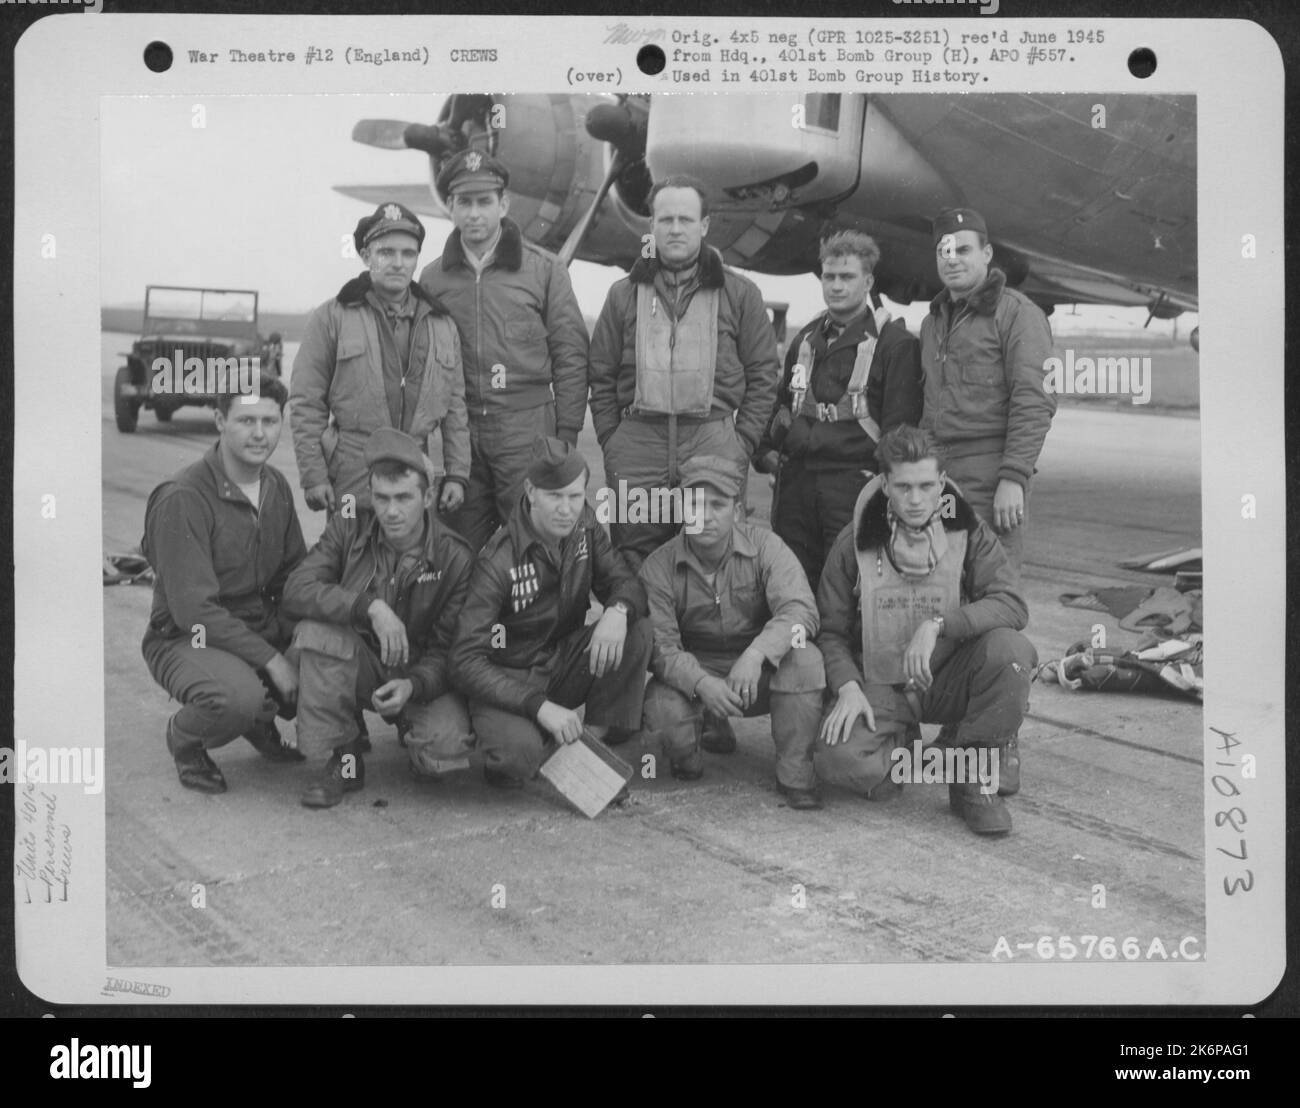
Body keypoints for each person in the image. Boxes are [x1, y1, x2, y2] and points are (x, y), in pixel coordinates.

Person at [815, 425, 1036, 834]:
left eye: (925, 486)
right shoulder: (853, 544)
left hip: (947, 676)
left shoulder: (969, 533)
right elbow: (829, 631)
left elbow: (1012, 604)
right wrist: (846, 686)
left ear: (941, 484)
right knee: (840, 762)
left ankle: (968, 771)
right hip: (882, 683)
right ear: (884, 483)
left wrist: (938, 625)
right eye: (902, 487)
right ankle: (910, 744)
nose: (915, 500)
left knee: (1012, 654)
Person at [588, 174, 780, 568]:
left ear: (705, 226)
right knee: (634, 563)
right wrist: (614, 440)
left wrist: (740, 444)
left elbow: (764, 375)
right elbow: (601, 375)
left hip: (713, 444)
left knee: (714, 563)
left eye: (686, 220)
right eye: (666, 219)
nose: (675, 229)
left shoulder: (741, 294)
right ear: (652, 225)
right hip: (638, 448)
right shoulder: (622, 295)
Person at [282, 429, 477, 808]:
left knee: (444, 756)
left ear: (428, 497)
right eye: (382, 498)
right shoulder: (349, 526)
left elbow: (450, 648)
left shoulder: (456, 558)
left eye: (404, 498)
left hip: (420, 673)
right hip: (361, 662)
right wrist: (368, 607)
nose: (391, 511)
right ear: (370, 495)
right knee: (316, 634)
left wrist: (414, 686)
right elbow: (297, 588)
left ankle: (410, 727)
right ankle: (346, 757)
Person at [449, 437, 651, 791]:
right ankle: (514, 737)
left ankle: (592, 741)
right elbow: (464, 660)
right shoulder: (498, 559)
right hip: (508, 678)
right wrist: (536, 705)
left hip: (560, 663)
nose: (566, 509)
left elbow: (626, 582)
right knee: (517, 758)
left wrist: (618, 610)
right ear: (530, 491)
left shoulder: (584, 525)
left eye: (574, 496)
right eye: (554, 496)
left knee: (636, 627)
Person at [141, 374, 306, 793]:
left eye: (270, 421)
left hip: (253, 624)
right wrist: (273, 659)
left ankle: (259, 719)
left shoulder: (275, 486)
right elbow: (194, 611)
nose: (259, 433)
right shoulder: (184, 496)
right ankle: (187, 740)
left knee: (330, 653)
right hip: (186, 637)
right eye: (246, 421)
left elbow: (292, 573)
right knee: (236, 697)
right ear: (219, 420)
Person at [419, 150, 590, 550]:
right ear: (451, 207)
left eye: (484, 202)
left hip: (527, 430)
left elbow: (570, 357)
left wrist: (565, 436)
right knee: (456, 549)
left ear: (504, 205)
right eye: (464, 203)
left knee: (538, 541)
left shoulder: (545, 271)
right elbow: (424, 366)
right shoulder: (432, 279)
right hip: (462, 436)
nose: (474, 214)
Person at [638, 456, 826, 809]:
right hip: (699, 675)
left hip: (758, 674)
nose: (705, 515)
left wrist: (757, 654)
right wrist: (701, 683)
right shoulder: (658, 566)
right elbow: (661, 647)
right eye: (693, 504)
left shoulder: (767, 546)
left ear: (737, 511)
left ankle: (795, 772)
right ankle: (692, 751)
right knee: (662, 712)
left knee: (807, 660)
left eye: (718, 505)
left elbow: (802, 612)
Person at [755, 230, 922, 589]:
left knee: (844, 589)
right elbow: (783, 405)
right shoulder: (805, 341)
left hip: (853, 485)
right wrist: (766, 453)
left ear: (868, 281)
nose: (836, 285)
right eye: (829, 276)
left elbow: (898, 431)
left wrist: (886, 494)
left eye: (847, 277)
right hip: (797, 486)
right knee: (791, 585)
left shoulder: (895, 346)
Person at [291, 201, 470, 515]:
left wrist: (457, 473)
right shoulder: (331, 317)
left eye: (408, 254)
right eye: (386, 252)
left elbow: (455, 408)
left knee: (413, 562)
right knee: (351, 559)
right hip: (352, 474)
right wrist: (313, 476)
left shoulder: (442, 324)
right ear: (365, 256)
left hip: (416, 473)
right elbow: (306, 403)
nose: (398, 263)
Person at [919, 207, 1055, 574]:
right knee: (940, 586)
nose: (952, 260)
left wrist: (1013, 478)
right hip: (938, 475)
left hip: (990, 474)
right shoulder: (932, 324)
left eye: (963, 250)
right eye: (943, 252)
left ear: (987, 254)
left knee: (992, 589)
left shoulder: (1017, 315)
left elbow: (1034, 402)